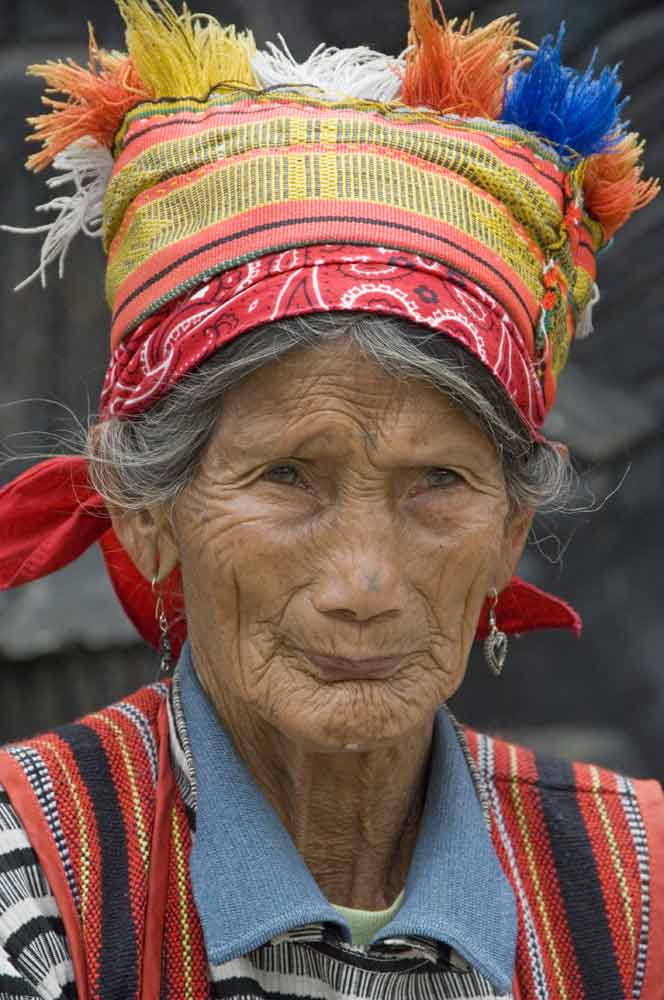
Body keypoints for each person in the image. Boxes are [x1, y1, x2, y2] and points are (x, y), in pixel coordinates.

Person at [0, 1, 661, 998]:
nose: (364, 582)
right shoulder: (32, 874)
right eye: (285, 476)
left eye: (438, 482)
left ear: (509, 530)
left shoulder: (638, 880)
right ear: (145, 506)